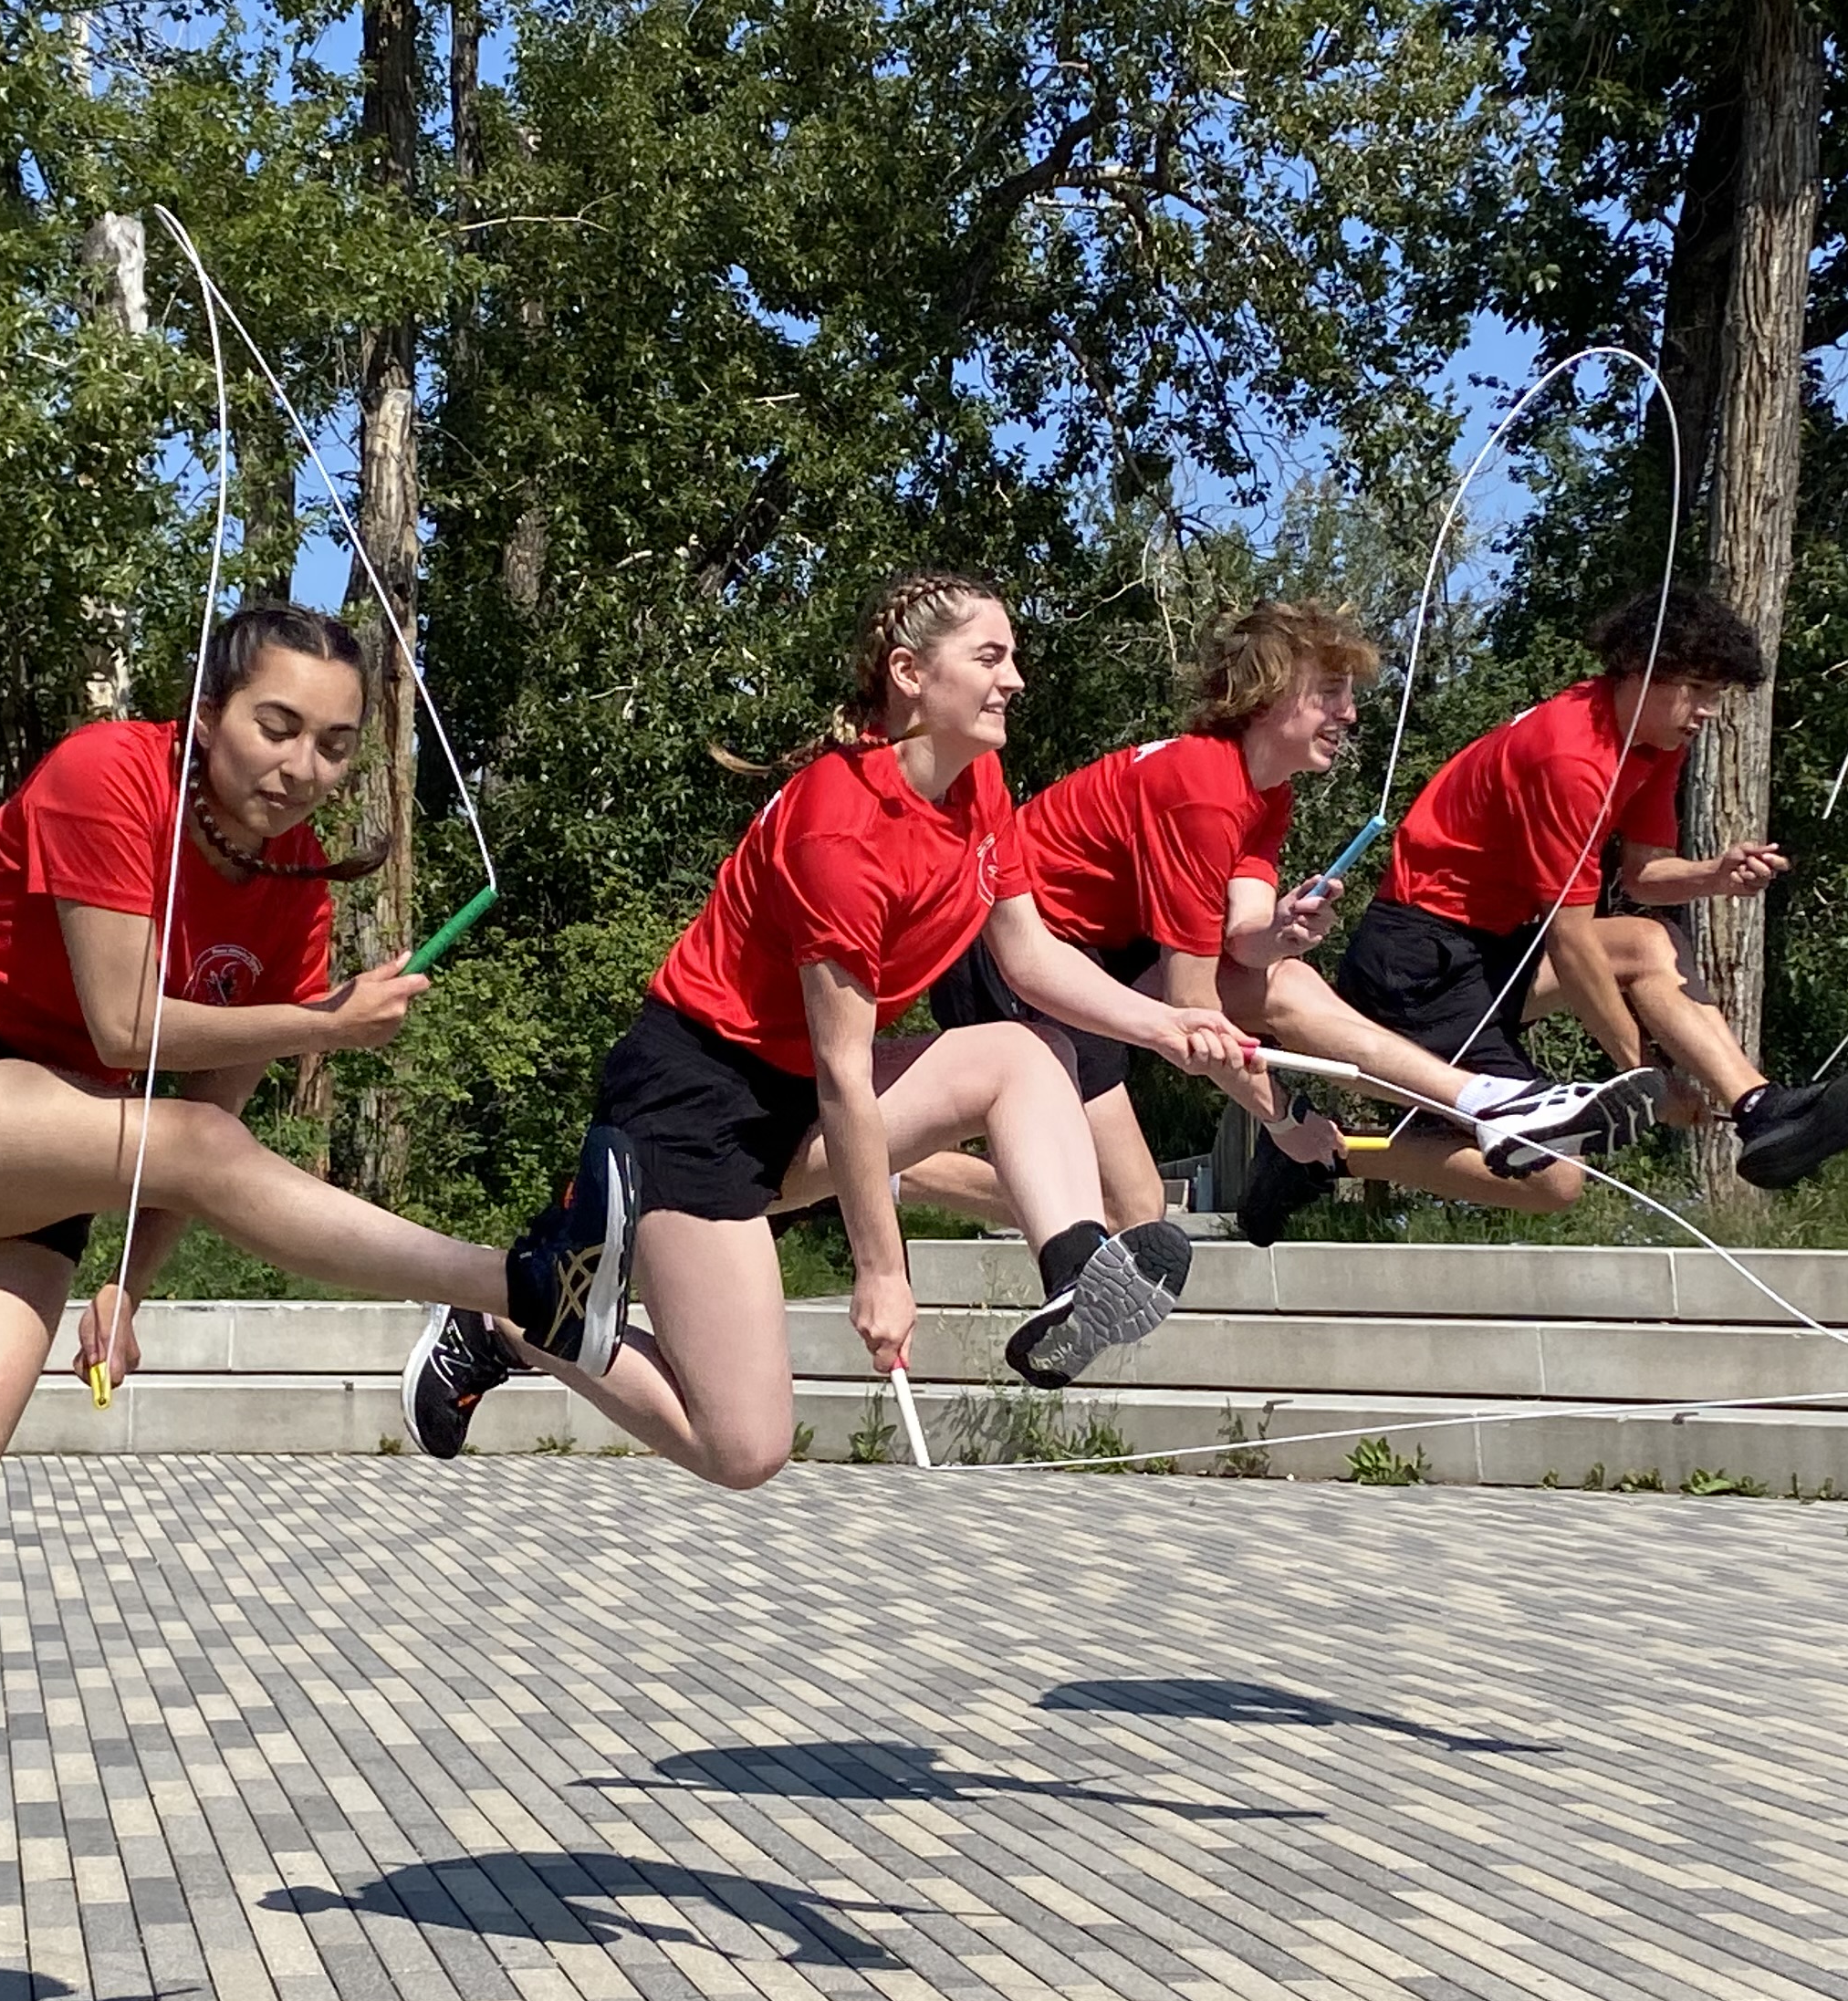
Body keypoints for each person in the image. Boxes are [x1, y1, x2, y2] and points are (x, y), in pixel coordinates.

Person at [0, 602, 631, 1501]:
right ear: (208, 713)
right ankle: (517, 1284)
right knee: (187, 1136)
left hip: (63, 1144)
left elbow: (205, 1127)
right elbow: (127, 1028)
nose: (301, 767)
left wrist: (127, 1289)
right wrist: (320, 1023)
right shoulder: (108, 772)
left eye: (335, 745)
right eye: (277, 727)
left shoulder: (297, 890)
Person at [398, 572, 1287, 1486]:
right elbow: (845, 1078)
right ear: (909, 672)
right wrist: (882, 1271)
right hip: (697, 1099)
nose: (1015, 678)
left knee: (1028, 1052)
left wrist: (1167, 1023)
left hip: (799, 1090)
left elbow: (1028, 960)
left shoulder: (977, 779)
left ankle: (1075, 1270)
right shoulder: (840, 832)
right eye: (990, 656)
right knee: (745, 1450)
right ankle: (502, 1316)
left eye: (1012, 656)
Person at [896, 599, 1664, 1245]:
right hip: (1018, 960)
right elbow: (1194, 1007)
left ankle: (1487, 1102)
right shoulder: (1200, 791)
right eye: (1331, 691)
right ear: (1269, 696)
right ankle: (885, 1163)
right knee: (1133, 1210)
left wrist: (1282, 932)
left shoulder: (1266, 794)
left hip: (1107, 952)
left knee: (1287, 979)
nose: (1351, 712)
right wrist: (1284, 1118)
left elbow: (1243, 938)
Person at [1249, 585, 1848, 1236]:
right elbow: (1572, 942)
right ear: (1640, 670)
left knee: (1647, 941)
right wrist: (1642, 1077)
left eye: (1716, 695)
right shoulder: (1571, 757)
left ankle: (1759, 1107)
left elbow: (1644, 875)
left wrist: (1714, 875)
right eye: (1697, 689)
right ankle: (1323, 1153)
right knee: (1555, 1180)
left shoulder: (1654, 744)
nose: (1707, 711)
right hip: (1420, 963)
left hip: (1498, 949)